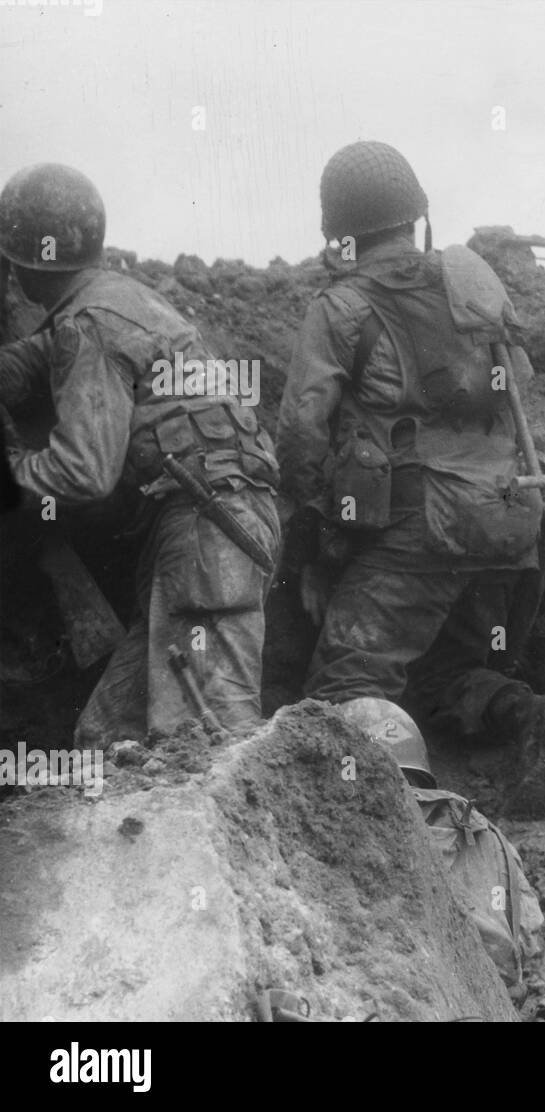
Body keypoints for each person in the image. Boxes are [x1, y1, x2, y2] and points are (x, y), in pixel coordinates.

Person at [278, 141, 545, 772]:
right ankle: (523, 714)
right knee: (442, 673)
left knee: (345, 689)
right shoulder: (472, 288)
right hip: (512, 512)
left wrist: (312, 534)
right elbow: (514, 393)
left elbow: (302, 429)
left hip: (424, 524)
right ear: (416, 219)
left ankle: (395, 815)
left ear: (340, 237)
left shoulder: (342, 306)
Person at [0, 163, 281, 746]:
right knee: (105, 742)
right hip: (216, 528)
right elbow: (39, 356)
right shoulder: (123, 301)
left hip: (207, 536)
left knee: (211, 746)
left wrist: (13, 473)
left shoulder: (90, 324)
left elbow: (82, 473)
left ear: (22, 268)